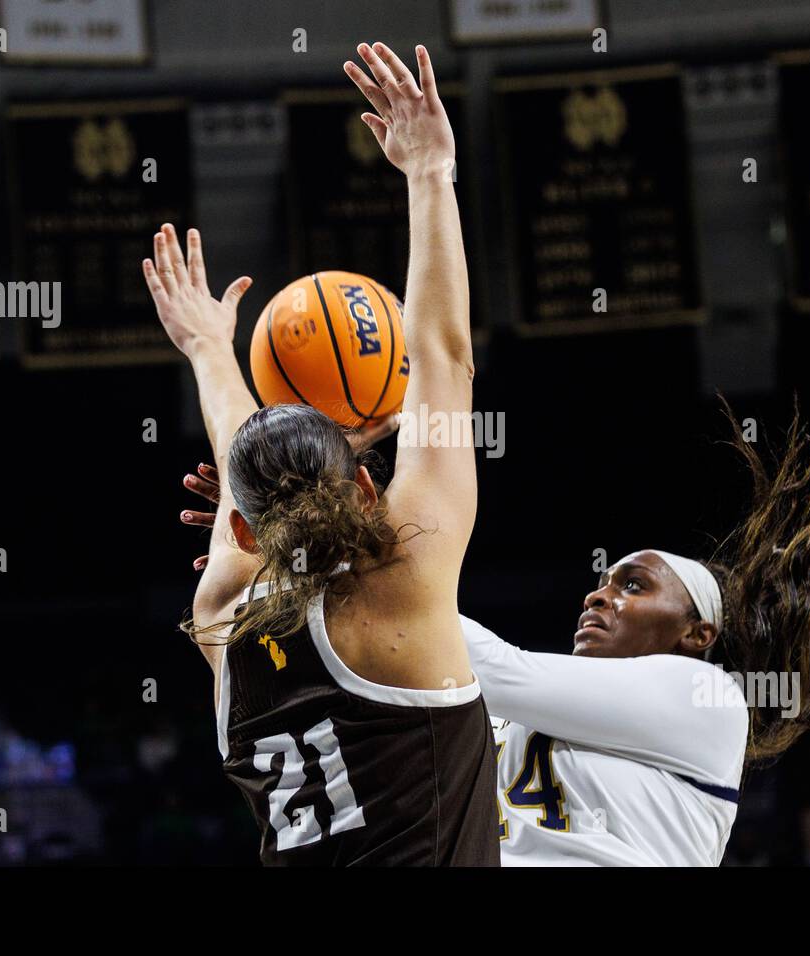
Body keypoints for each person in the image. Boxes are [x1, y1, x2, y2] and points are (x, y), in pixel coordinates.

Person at [179, 405, 810, 864]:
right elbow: (378, 665)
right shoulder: (502, 720)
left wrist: (311, 542)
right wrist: (293, 522)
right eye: (603, 578)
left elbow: (415, 637)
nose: (602, 593)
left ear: (698, 633)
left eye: (634, 584)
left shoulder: (707, 698)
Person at [144, 41, 497, 865]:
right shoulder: (403, 581)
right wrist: (428, 170)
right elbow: (441, 354)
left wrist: (207, 351)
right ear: (367, 491)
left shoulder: (225, 627)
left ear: (236, 533)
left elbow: (250, 468)